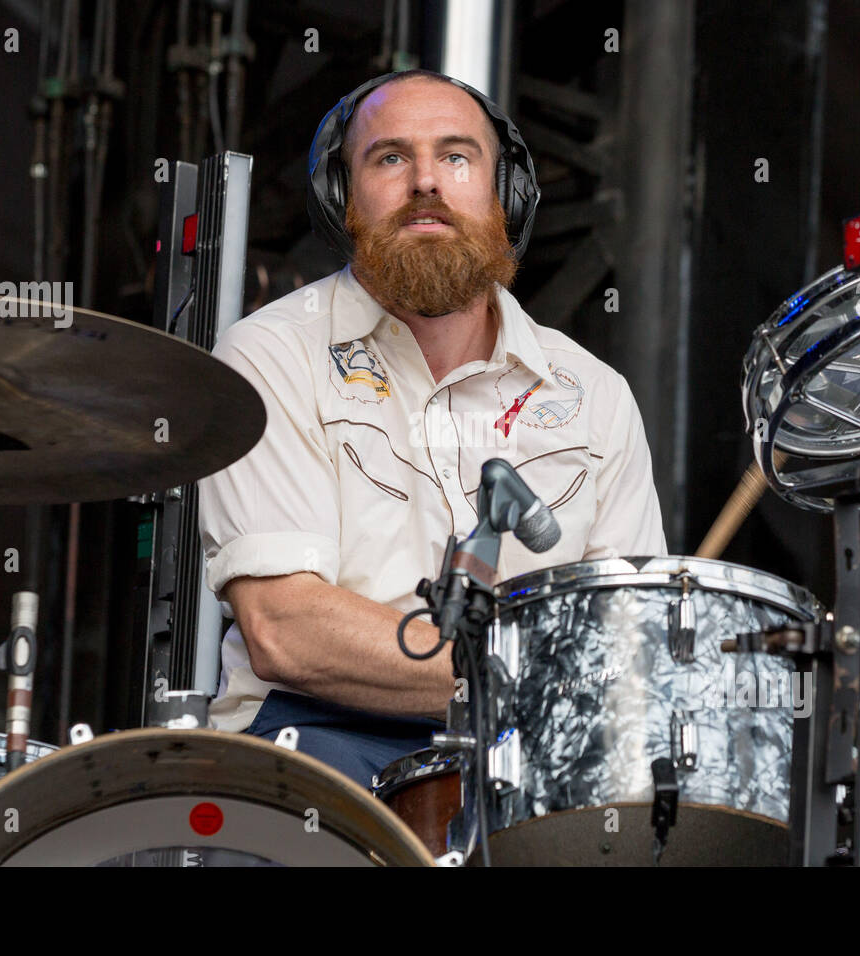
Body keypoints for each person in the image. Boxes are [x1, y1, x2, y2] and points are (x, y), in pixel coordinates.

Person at [197, 69, 666, 789]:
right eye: (389, 158)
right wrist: (523, 680)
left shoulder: (596, 397)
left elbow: (630, 647)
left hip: (524, 771)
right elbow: (286, 629)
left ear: (505, 194)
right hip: (313, 755)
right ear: (340, 199)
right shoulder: (272, 354)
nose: (425, 181)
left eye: (456, 156)